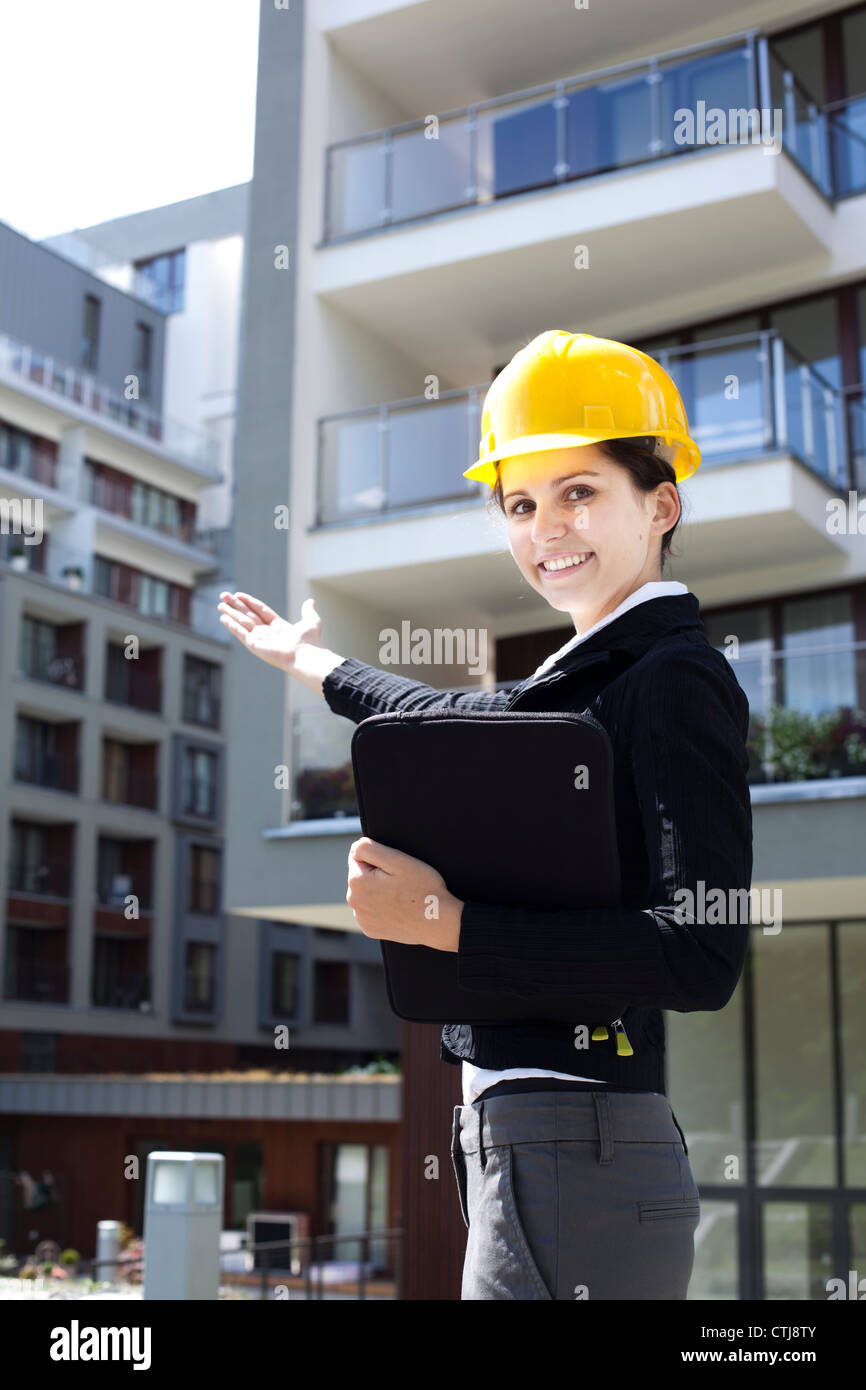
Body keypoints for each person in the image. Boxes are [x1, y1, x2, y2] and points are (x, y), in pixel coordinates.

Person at [218, 330, 754, 1301]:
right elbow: (435, 715)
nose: (545, 526)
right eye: (520, 501)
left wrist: (443, 924)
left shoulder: (672, 679)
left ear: (660, 501)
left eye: (578, 490)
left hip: (573, 1140)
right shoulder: (589, 679)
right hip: (543, 1142)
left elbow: (698, 949)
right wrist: (305, 660)